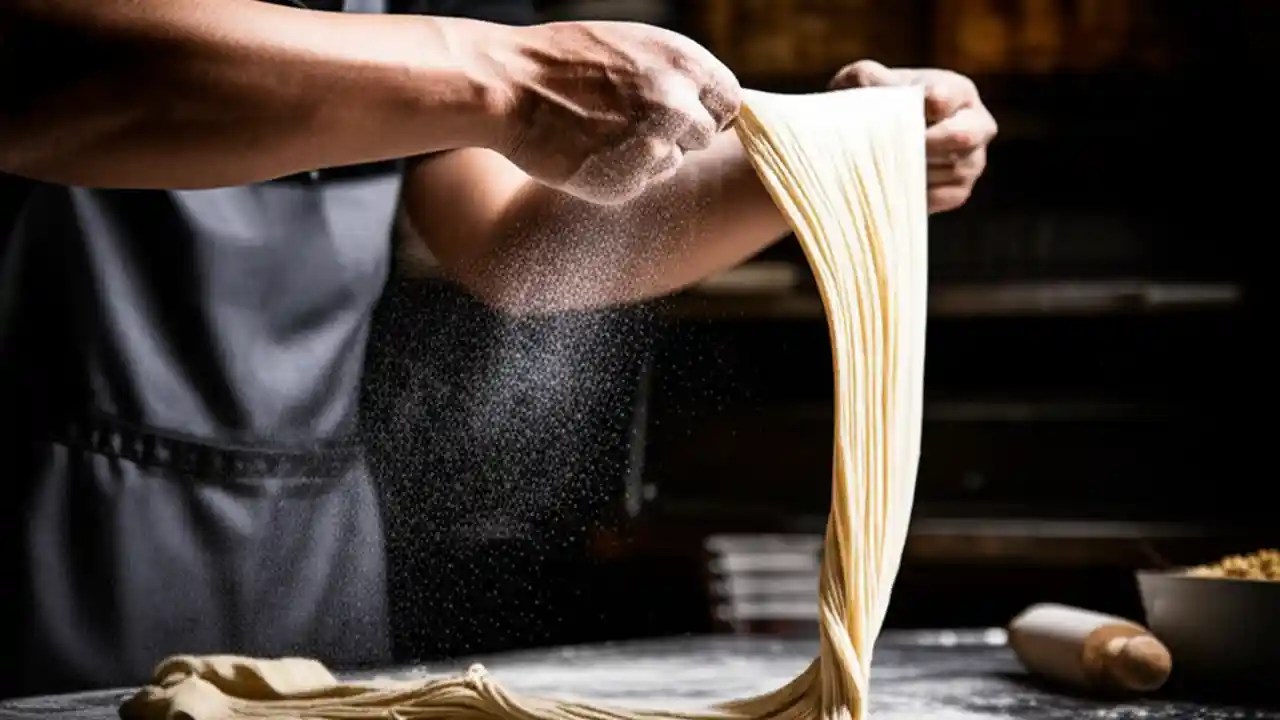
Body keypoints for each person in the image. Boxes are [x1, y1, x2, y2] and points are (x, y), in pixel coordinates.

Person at [0, 0, 997, 698]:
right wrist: (500, 73)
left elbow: (519, 239)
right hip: (42, 511)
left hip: (304, 532)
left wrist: (838, 153)